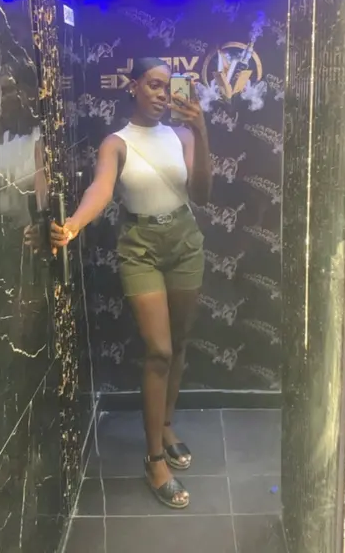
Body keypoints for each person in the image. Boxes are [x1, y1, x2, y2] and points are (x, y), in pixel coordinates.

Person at [51, 57, 212, 509]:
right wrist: (74, 223)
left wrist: (202, 132)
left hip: (184, 240)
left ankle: (166, 424)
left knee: (178, 342)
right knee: (158, 348)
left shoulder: (182, 135)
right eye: (153, 85)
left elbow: (202, 194)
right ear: (134, 86)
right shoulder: (116, 143)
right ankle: (154, 458)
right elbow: (100, 190)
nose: (161, 94)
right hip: (139, 246)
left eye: (167, 86)